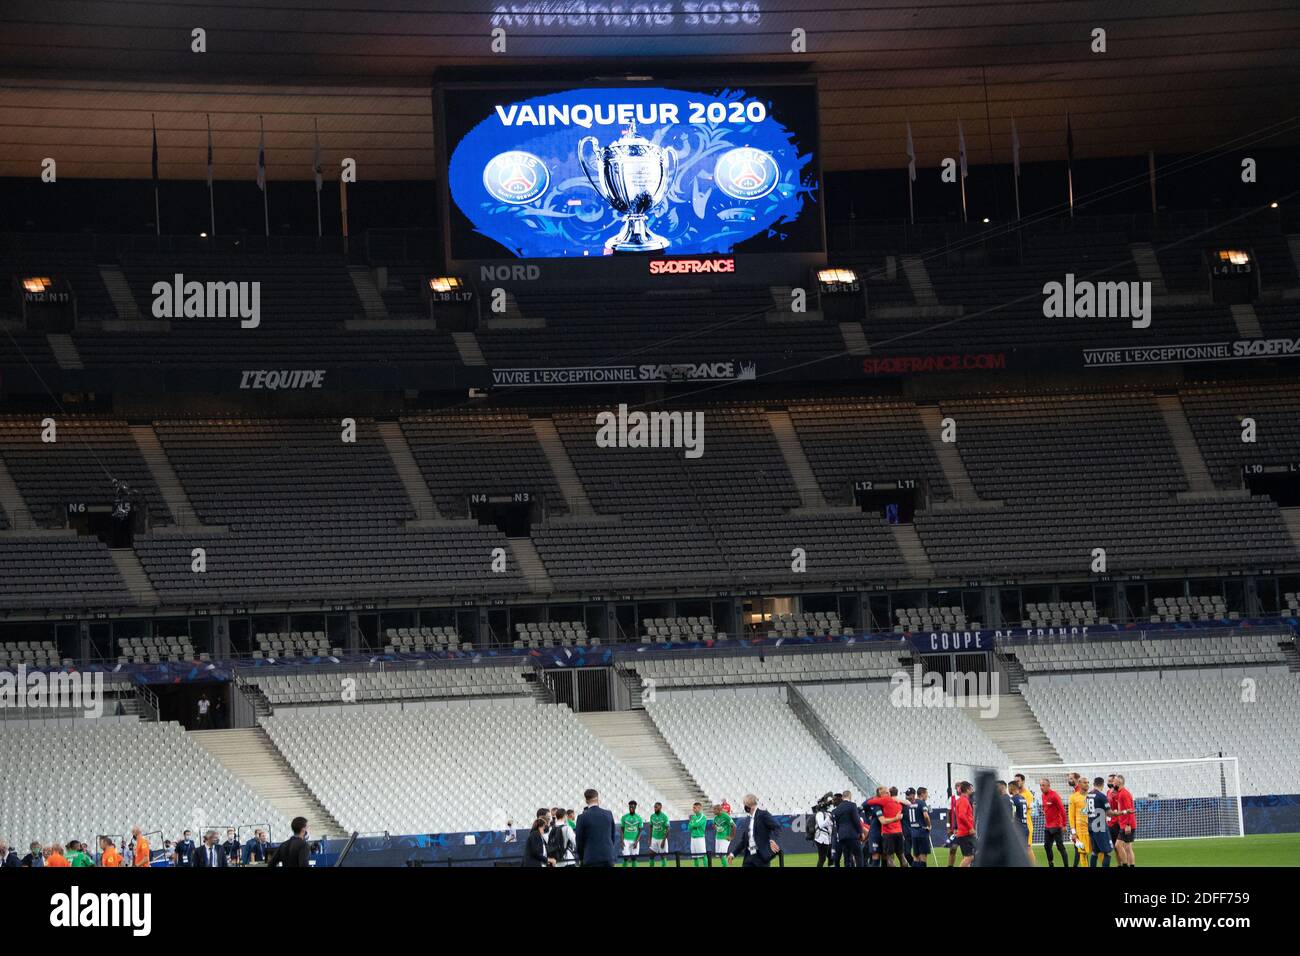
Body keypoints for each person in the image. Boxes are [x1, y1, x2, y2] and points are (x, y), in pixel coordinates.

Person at [726, 793, 781, 867]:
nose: (744, 806)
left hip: (761, 857)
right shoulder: (747, 819)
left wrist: (772, 840)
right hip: (748, 857)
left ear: (749, 804)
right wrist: (733, 854)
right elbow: (744, 841)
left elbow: (777, 827)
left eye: (745, 804)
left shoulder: (763, 815)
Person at [574, 788, 618, 867]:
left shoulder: (582, 817)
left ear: (586, 801)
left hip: (591, 858)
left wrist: (581, 857)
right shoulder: (608, 814)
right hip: (608, 856)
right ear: (598, 799)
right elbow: (612, 836)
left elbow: (579, 840)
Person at [867, 786, 906, 868]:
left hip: (888, 833)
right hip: (896, 832)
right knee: (901, 856)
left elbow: (869, 802)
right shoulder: (897, 803)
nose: (889, 793)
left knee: (888, 858)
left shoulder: (886, 801)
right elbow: (908, 803)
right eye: (887, 792)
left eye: (889, 792)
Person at [1039, 778, 1068, 867]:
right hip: (1048, 826)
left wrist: (1064, 825)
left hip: (1056, 826)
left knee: (1060, 847)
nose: (1041, 787)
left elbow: (1062, 810)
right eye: (1040, 785)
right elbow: (1046, 807)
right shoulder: (1043, 796)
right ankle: (1051, 864)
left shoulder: (1054, 795)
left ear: (1048, 786)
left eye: (1043, 785)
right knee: (1047, 846)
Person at [830, 789, 863, 868]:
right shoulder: (852, 805)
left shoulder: (836, 809)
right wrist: (861, 832)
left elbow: (837, 824)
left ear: (842, 797)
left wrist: (839, 834)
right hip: (852, 835)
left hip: (842, 836)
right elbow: (856, 820)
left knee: (847, 858)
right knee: (858, 856)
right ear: (850, 796)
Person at [1086, 777, 1114, 868]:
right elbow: (1109, 812)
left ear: (1094, 784)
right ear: (1102, 785)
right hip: (1100, 827)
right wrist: (1122, 812)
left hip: (1091, 826)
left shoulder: (1088, 795)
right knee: (1107, 852)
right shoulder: (1101, 796)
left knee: (1095, 852)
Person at [1111, 773, 1137, 867]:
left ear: (1119, 782)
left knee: (1118, 846)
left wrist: (1128, 825)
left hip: (1127, 825)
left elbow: (1130, 810)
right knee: (1127, 847)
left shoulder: (1124, 794)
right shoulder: (1121, 793)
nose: (1113, 783)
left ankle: (1125, 865)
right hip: (1124, 824)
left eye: (1114, 782)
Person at [952, 781, 977, 867]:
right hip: (965, 833)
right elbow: (961, 815)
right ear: (967, 789)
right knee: (969, 857)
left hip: (965, 833)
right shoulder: (963, 800)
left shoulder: (961, 800)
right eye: (971, 789)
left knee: (973, 855)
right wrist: (970, 828)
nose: (972, 790)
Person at [906, 787, 932, 867]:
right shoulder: (922, 803)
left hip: (913, 833)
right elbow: (926, 816)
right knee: (923, 857)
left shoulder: (910, 804)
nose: (927, 796)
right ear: (922, 794)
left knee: (916, 857)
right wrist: (929, 826)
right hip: (922, 832)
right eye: (926, 794)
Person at [1068, 775, 1090, 867]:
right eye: (1085, 782)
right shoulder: (1073, 797)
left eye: (1088, 782)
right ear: (1079, 784)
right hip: (1081, 831)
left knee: (1098, 852)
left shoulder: (1092, 796)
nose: (1087, 784)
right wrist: (1073, 832)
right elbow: (1071, 816)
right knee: (1082, 853)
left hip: (1093, 829)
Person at [619, 801, 644, 868]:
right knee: (625, 858)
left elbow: (640, 831)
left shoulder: (639, 818)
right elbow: (622, 830)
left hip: (635, 840)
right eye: (630, 807)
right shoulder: (624, 817)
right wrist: (622, 841)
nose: (631, 808)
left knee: (634, 859)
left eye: (632, 807)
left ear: (635, 807)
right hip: (626, 840)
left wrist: (636, 841)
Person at [648, 802, 671, 867]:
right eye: (654, 807)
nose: (655, 808)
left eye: (656, 807)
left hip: (661, 838)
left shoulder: (664, 817)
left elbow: (668, 829)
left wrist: (663, 841)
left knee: (663, 856)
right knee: (651, 854)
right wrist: (649, 839)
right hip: (654, 838)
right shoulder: (652, 816)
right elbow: (650, 827)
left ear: (660, 808)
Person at [712, 803, 735, 867]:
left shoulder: (726, 816)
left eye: (714, 809)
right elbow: (713, 825)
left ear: (719, 810)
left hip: (725, 838)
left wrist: (731, 837)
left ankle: (725, 865)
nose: (713, 811)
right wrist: (716, 827)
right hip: (718, 837)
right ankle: (724, 865)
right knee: (719, 855)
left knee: (722, 854)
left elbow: (734, 826)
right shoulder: (715, 817)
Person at [813, 798, 833, 867]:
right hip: (821, 838)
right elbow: (821, 825)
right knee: (822, 858)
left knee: (831, 858)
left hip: (827, 838)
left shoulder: (827, 814)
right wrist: (828, 818)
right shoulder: (819, 814)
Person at [687, 803, 708, 867]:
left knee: (703, 855)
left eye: (694, 808)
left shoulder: (703, 817)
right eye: (693, 807)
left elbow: (696, 824)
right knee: (694, 856)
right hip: (693, 838)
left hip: (700, 838)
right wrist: (693, 824)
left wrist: (692, 824)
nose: (693, 809)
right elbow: (689, 827)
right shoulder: (693, 817)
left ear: (699, 808)